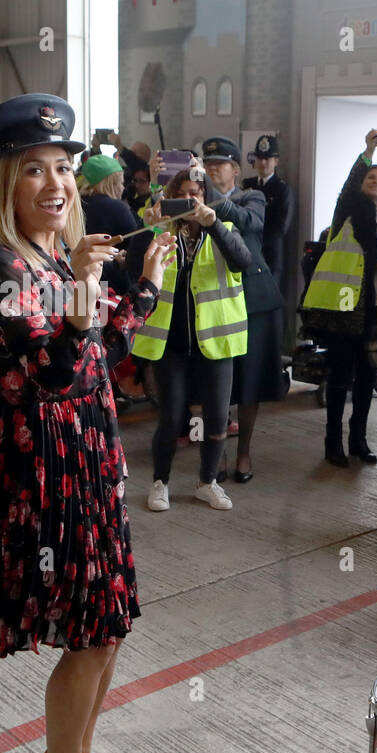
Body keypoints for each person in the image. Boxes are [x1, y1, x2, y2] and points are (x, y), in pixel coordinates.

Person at [0, 93, 173, 753]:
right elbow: (34, 384)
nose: (56, 183)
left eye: (63, 167)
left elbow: (103, 353)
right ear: (3, 184)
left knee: (107, 622)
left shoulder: (51, 255)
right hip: (47, 473)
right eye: (33, 170)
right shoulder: (1, 269)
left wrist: (149, 279)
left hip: (90, 458)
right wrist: (81, 313)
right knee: (90, 630)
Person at [130, 169, 251, 512]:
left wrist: (214, 223)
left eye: (196, 194)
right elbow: (133, 271)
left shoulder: (223, 229)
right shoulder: (161, 233)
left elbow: (243, 261)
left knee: (216, 418)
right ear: (170, 199)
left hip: (216, 340)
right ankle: (160, 482)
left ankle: (207, 481)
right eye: (181, 195)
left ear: (207, 196)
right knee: (170, 417)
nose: (190, 201)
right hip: (172, 344)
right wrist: (151, 227)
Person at [302, 129, 377, 466]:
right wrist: (367, 153)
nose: (376, 181)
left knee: (366, 378)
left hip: (375, 307)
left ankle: (359, 439)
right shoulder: (349, 208)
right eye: (371, 177)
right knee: (341, 376)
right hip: (344, 307)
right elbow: (350, 184)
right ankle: (333, 443)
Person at [195, 136, 285, 482]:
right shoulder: (194, 198)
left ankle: (243, 451)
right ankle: (214, 454)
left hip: (253, 301)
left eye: (220, 163)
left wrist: (204, 191)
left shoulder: (253, 196)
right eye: (208, 162)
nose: (212, 168)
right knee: (212, 385)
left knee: (249, 383)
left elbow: (246, 222)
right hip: (211, 300)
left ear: (235, 169)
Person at [242, 134, 295, 301]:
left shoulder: (282, 189)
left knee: (270, 300)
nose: (263, 163)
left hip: (270, 254)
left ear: (276, 161)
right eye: (260, 158)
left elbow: (281, 227)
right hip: (247, 252)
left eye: (268, 159)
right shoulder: (247, 185)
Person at [78, 154, 140, 297]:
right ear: (110, 183)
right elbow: (136, 247)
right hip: (109, 288)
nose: (123, 188)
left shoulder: (75, 204)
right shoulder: (116, 208)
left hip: (78, 283)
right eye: (121, 183)